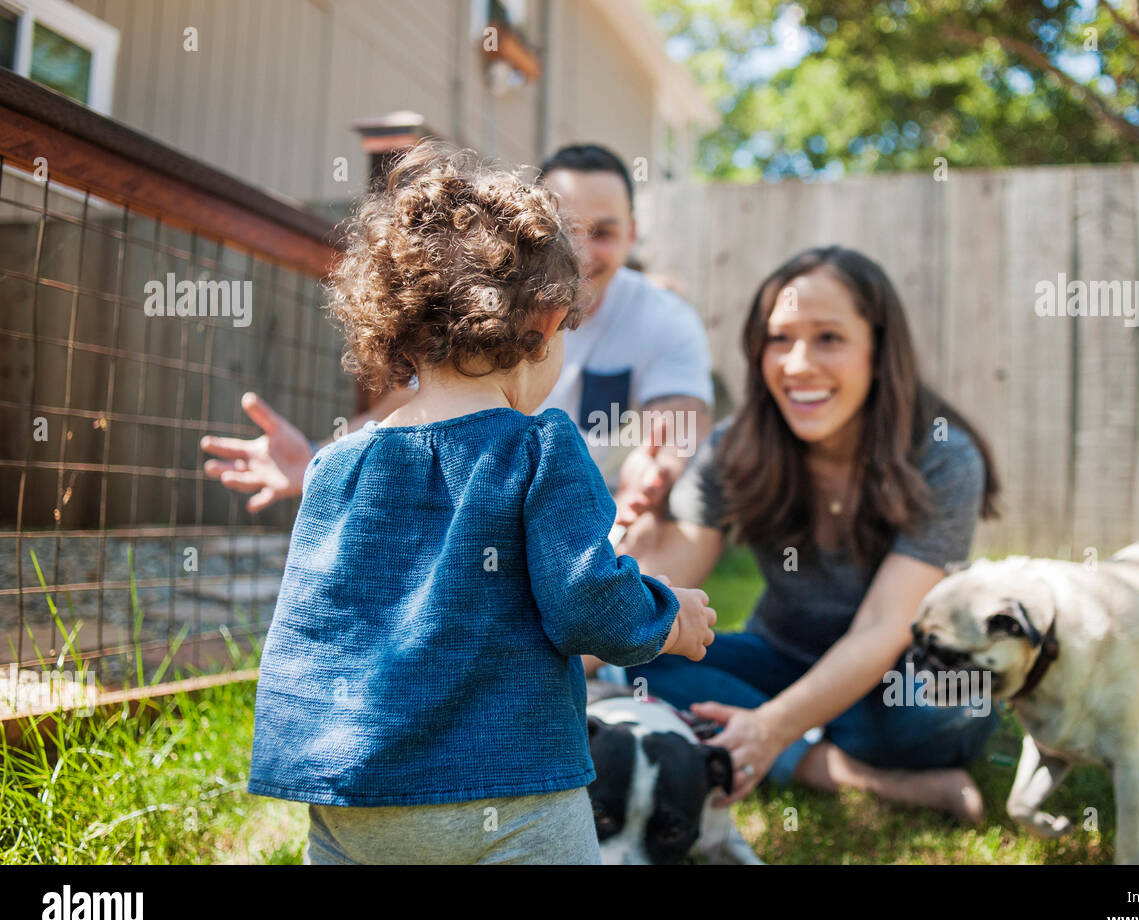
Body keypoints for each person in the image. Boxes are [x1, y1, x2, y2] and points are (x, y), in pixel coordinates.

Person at [246, 143, 717, 865]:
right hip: (514, 797)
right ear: (548, 321)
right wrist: (669, 617)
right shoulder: (539, 448)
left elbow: (310, 630)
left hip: (351, 797)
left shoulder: (338, 463)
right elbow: (588, 602)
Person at [605, 246, 1002, 821]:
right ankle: (850, 773)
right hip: (782, 657)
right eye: (779, 339)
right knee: (644, 657)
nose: (796, 364)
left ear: (879, 348)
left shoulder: (944, 457)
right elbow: (660, 591)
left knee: (950, 711)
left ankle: (781, 740)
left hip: (895, 673)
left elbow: (883, 627)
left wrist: (771, 724)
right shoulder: (731, 449)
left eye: (828, 338)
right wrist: (637, 526)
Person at [199, 144, 712, 527]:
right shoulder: (493, 302)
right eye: (567, 229)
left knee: (661, 528)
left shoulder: (664, 320)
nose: (581, 252)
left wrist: (655, 471)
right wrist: (320, 454)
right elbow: (412, 408)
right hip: (487, 505)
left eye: (602, 233)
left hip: (610, 511)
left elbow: (677, 422)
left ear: (633, 234)